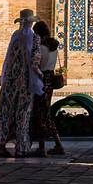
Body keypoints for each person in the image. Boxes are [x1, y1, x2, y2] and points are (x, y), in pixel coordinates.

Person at [0, 8, 42, 159]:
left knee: (5, 112)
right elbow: (35, 62)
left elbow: (8, 58)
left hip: (9, 81)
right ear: (31, 22)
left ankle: (2, 146)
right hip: (25, 83)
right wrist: (41, 76)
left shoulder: (15, 36)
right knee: (23, 114)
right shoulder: (35, 38)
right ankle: (20, 148)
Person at [31, 21, 66, 157]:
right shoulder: (54, 47)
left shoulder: (42, 48)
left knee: (41, 114)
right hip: (50, 79)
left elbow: (39, 65)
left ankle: (42, 147)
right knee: (45, 113)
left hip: (42, 80)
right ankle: (57, 144)